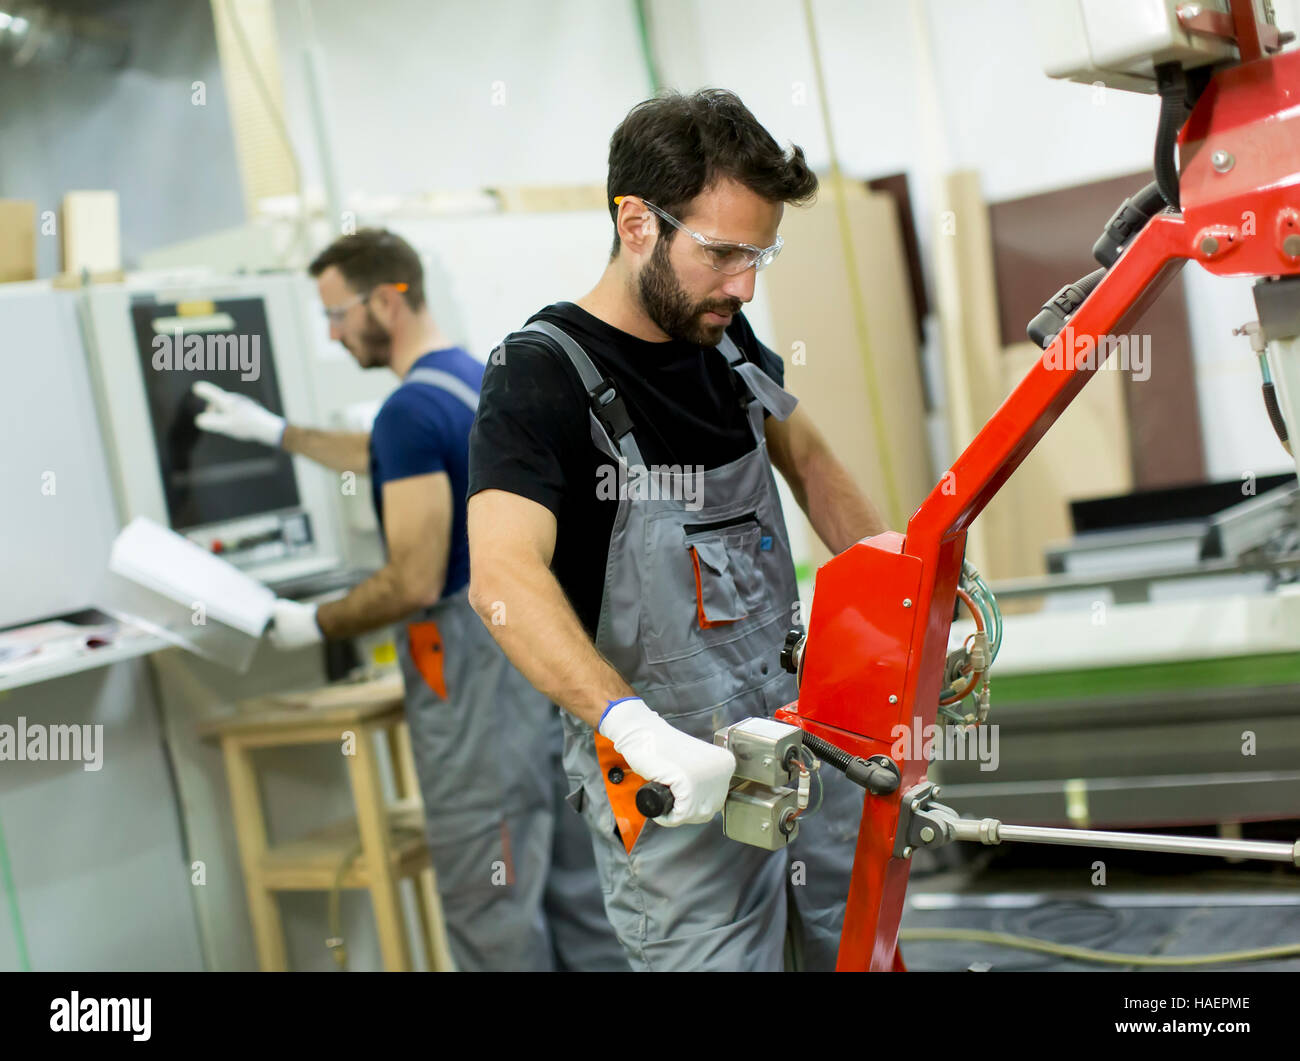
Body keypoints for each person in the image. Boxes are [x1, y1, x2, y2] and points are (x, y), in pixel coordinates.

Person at [465, 89, 891, 972]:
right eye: (723, 252)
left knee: (859, 952)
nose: (743, 284)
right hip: (677, 789)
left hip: (803, 750)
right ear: (635, 223)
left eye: (760, 254)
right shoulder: (539, 377)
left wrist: (902, 589)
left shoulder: (726, 345)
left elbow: (812, 466)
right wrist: (631, 724)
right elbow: (501, 577)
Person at [191, 228, 626, 972]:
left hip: (471, 687)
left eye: (336, 314)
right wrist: (278, 433)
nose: (331, 334)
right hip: (536, 662)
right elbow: (395, 453)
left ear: (387, 301)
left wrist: (309, 622)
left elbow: (413, 579)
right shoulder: (475, 377)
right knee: (571, 892)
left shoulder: (407, 411)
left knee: (488, 901)